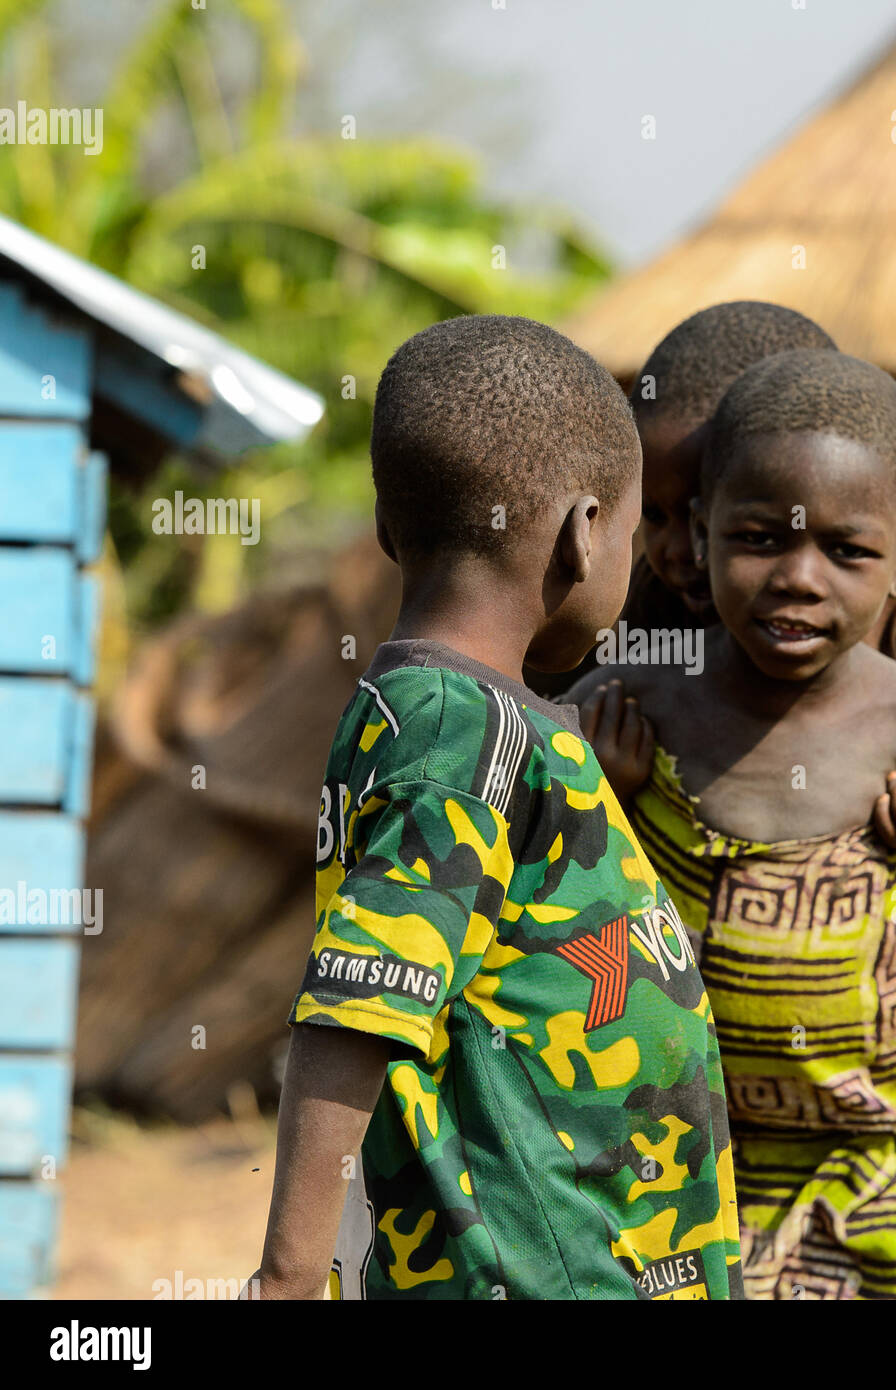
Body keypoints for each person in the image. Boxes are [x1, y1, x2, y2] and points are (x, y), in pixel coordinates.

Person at [567, 348, 896, 1298]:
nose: (798, 578)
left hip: (883, 1090)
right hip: (697, 1118)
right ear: (697, 536)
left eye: (847, 552)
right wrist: (601, 797)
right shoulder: (634, 706)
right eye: (759, 539)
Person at [247, 315, 742, 1300]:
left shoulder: (468, 718)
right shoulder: (462, 732)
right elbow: (358, 1006)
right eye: (638, 530)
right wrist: (289, 1276)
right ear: (582, 532)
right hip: (530, 1266)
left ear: (389, 528)